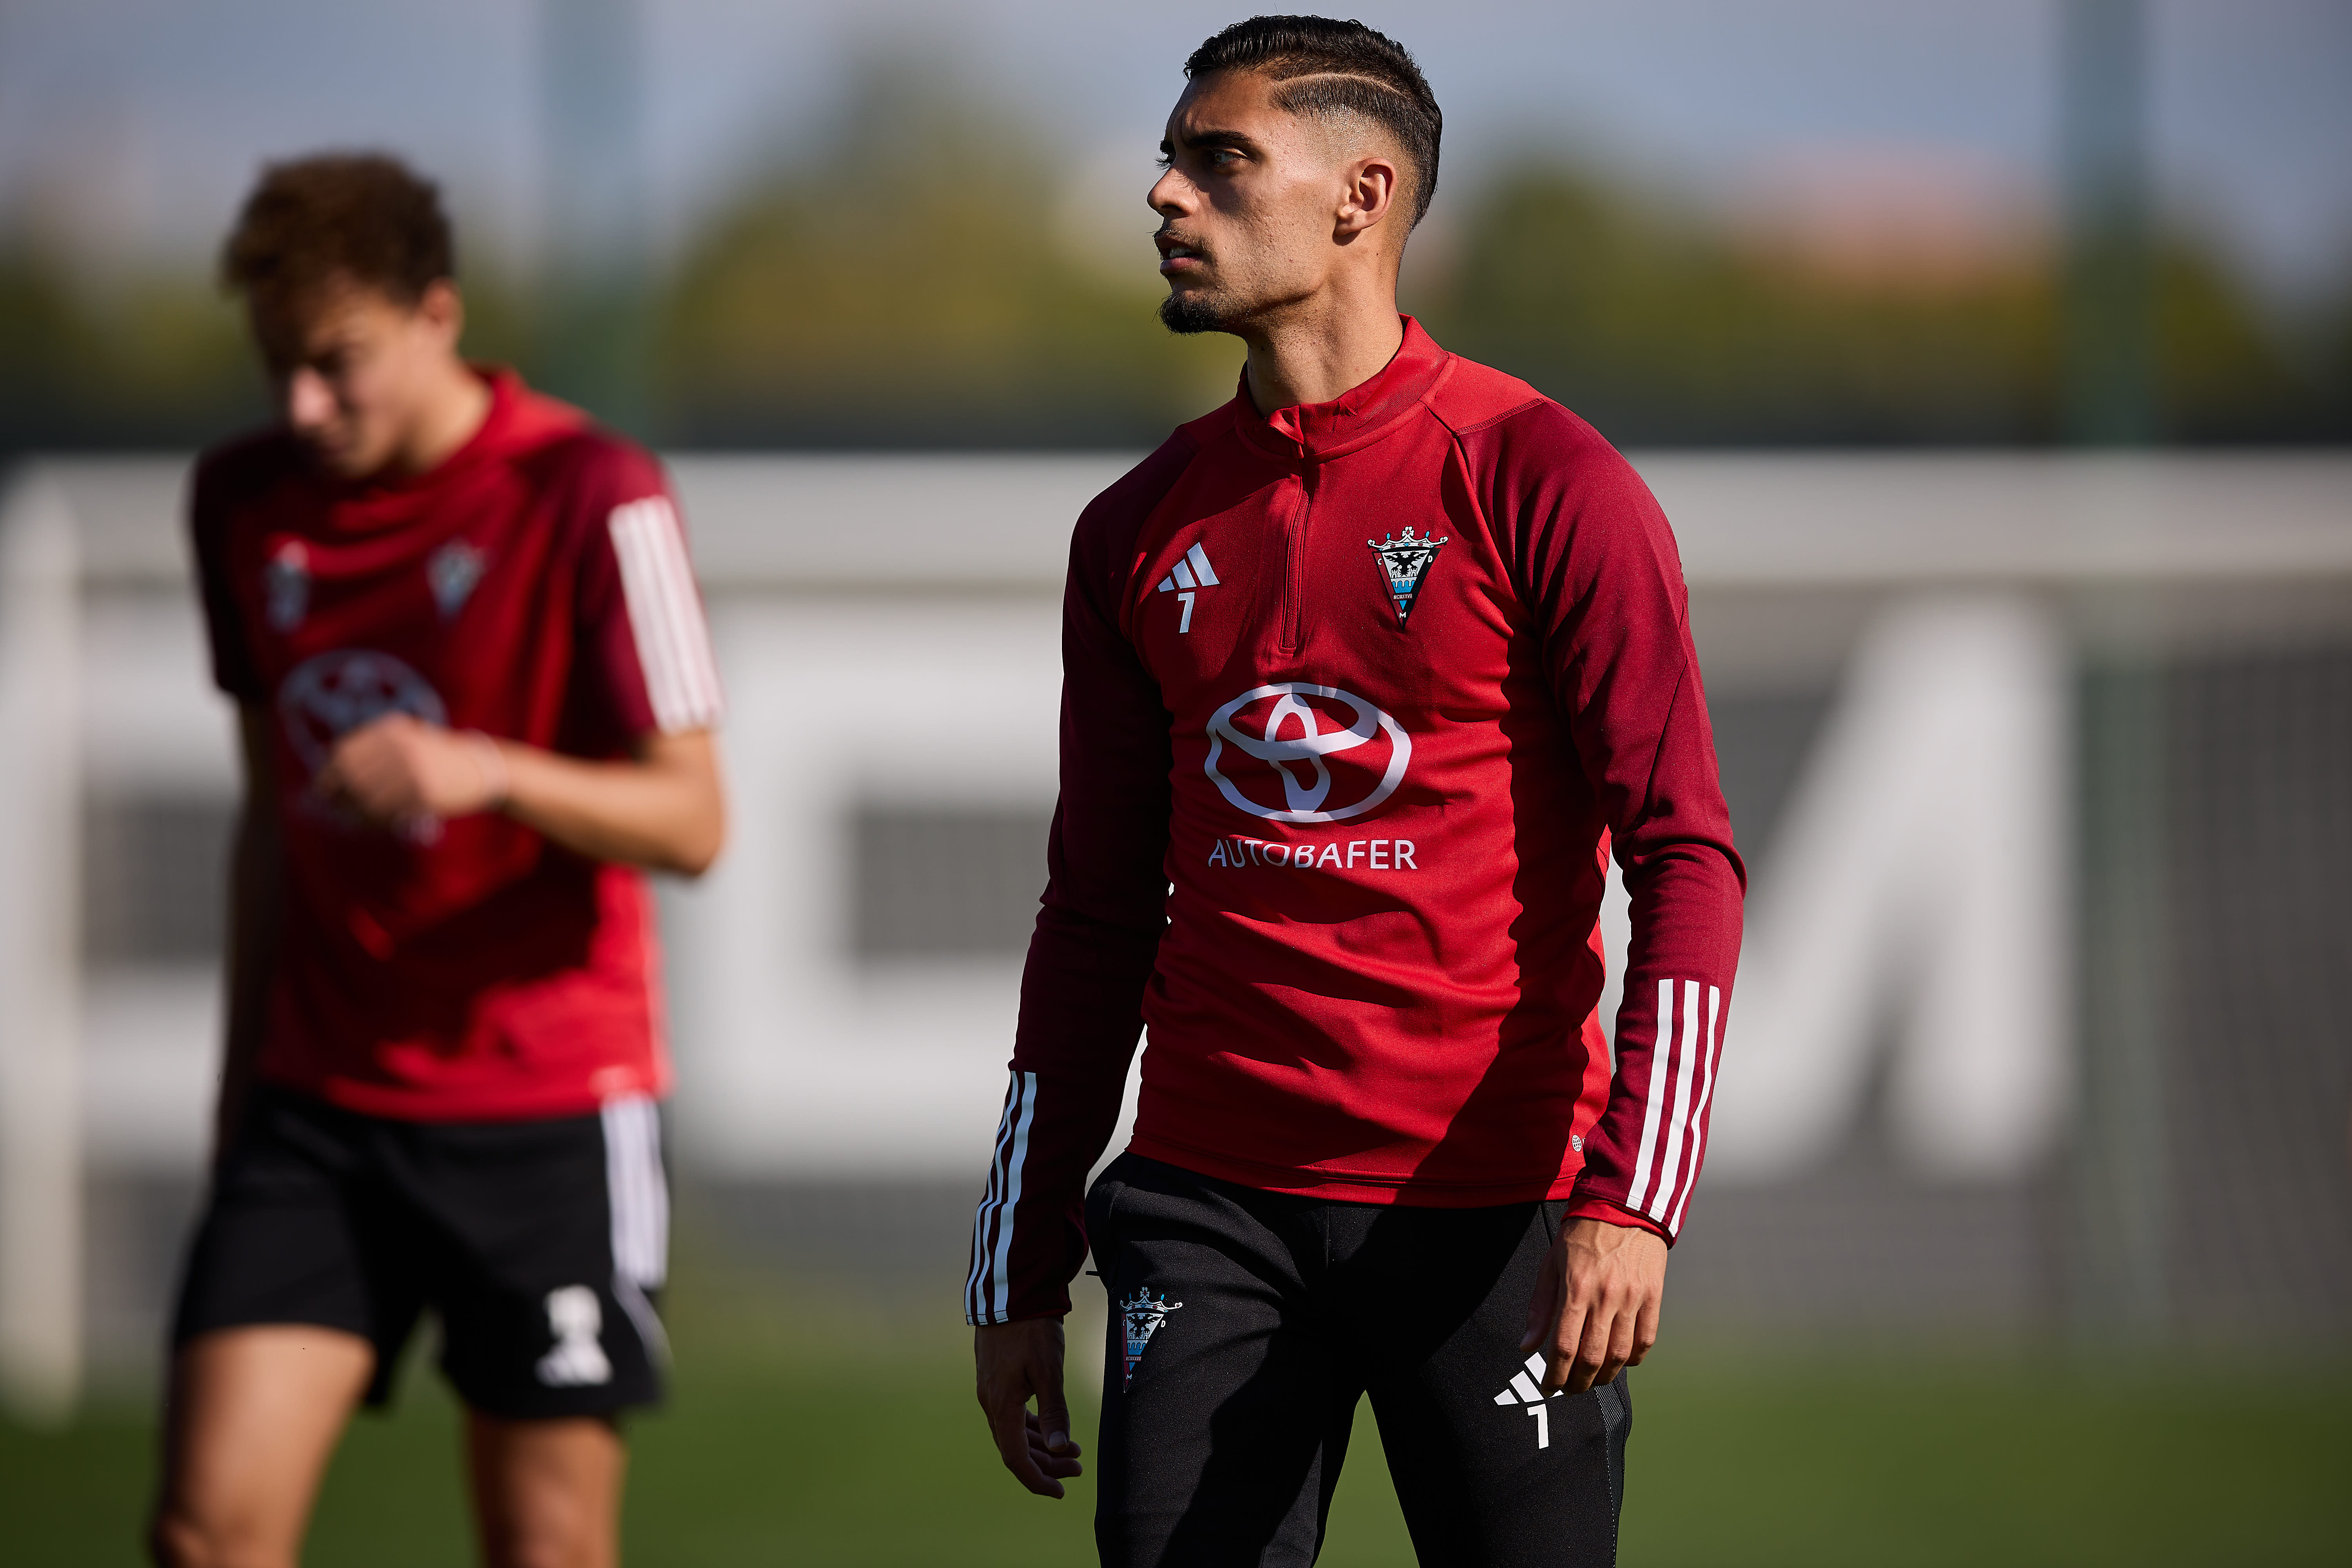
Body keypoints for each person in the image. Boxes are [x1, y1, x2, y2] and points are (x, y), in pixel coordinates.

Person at [968, 17, 1744, 1566]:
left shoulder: (1550, 483)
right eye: (1172, 160)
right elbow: (1095, 913)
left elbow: (1689, 860)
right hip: (1206, 1210)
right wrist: (1020, 1261)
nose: (1166, 197)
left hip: (1496, 1214)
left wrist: (1633, 1202)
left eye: (1218, 160)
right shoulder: (1133, 530)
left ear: (1360, 195)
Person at [151, 154, 726, 1568]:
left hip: (542, 1103)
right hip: (317, 1110)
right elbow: (268, 826)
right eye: (277, 366)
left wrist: (490, 772)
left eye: (336, 364)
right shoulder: (240, 501)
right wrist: (238, 1094)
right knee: (204, 1535)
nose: (302, 406)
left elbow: (695, 823)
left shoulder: (596, 492)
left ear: (437, 315)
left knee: (543, 1547)